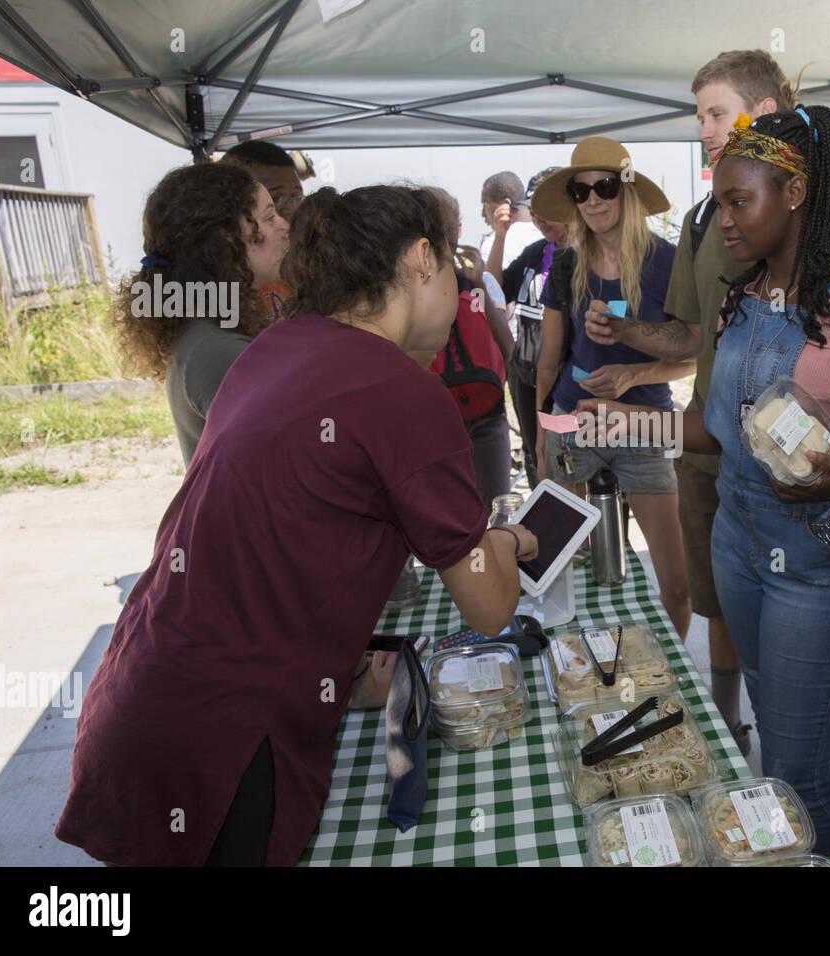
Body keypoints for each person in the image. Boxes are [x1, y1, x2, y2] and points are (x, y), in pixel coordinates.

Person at [56, 183, 539, 866]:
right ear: (422, 258)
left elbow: (284, 542)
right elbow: (489, 607)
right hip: (222, 743)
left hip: (140, 699)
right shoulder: (400, 390)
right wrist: (509, 539)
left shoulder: (275, 346)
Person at [582, 106, 830, 853]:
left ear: (794, 193)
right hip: (739, 545)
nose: (722, 221)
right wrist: (628, 421)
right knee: (773, 752)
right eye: (719, 201)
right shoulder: (740, 300)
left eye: (739, 201)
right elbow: (713, 430)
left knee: (800, 773)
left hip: (820, 568)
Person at [585, 49, 795, 754]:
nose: (702, 128)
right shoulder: (709, 216)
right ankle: (732, 726)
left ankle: (790, 744)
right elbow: (690, 331)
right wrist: (625, 333)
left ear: (762, 113)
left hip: (787, 464)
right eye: (699, 113)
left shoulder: (804, 211)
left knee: (788, 614)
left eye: (714, 112)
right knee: (720, 598)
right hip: (708, 446)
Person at [529, 137, 696, 639]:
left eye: (604, 186)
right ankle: (578, 666)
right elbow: (549, 360)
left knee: (676, 581)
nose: (594, 200)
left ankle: (671, 678)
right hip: (570, 422)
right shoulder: (565, 265)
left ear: (627, 191)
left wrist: (633, 374)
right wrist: (539, 437)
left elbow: (693, 357)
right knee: (557, 567)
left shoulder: (668, 262)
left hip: (645, 425)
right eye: (581, 192)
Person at [114, 163, 288, 467]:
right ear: (225, 238)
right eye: (269, 217)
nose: (284, 226)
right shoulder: (217, 348)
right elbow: (292, 455)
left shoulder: (218, 328)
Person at [425, 188, 514, 505]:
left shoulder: (479, 281)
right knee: (450, 516)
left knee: (492, 510)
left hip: (484, 411)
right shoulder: (407, 288)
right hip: (435, 418)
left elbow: (509, 350)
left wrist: (479, 284)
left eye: (447, 231)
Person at [501, 167, 569, 489]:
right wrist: (500, 234)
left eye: (548, 210)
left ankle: (609, 537)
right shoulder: (534, 252)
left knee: (570, 459)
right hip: (527, 373)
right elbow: (497, 288)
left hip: (564, 379)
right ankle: (545, 535)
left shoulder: (586, 258)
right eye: (534, 210)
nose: (540, 218)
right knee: (536, 455)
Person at [221, 139, 307, 320]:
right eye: (274, 198)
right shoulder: (209, 291)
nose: (290, 210)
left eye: (296, 197)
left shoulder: (303, 269)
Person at [481, 170, 544, 295]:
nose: (482, 214)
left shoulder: (492, 244)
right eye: (531, 211)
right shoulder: (531, 251)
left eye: (485, 205)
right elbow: (497, 287)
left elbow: (492, 293)